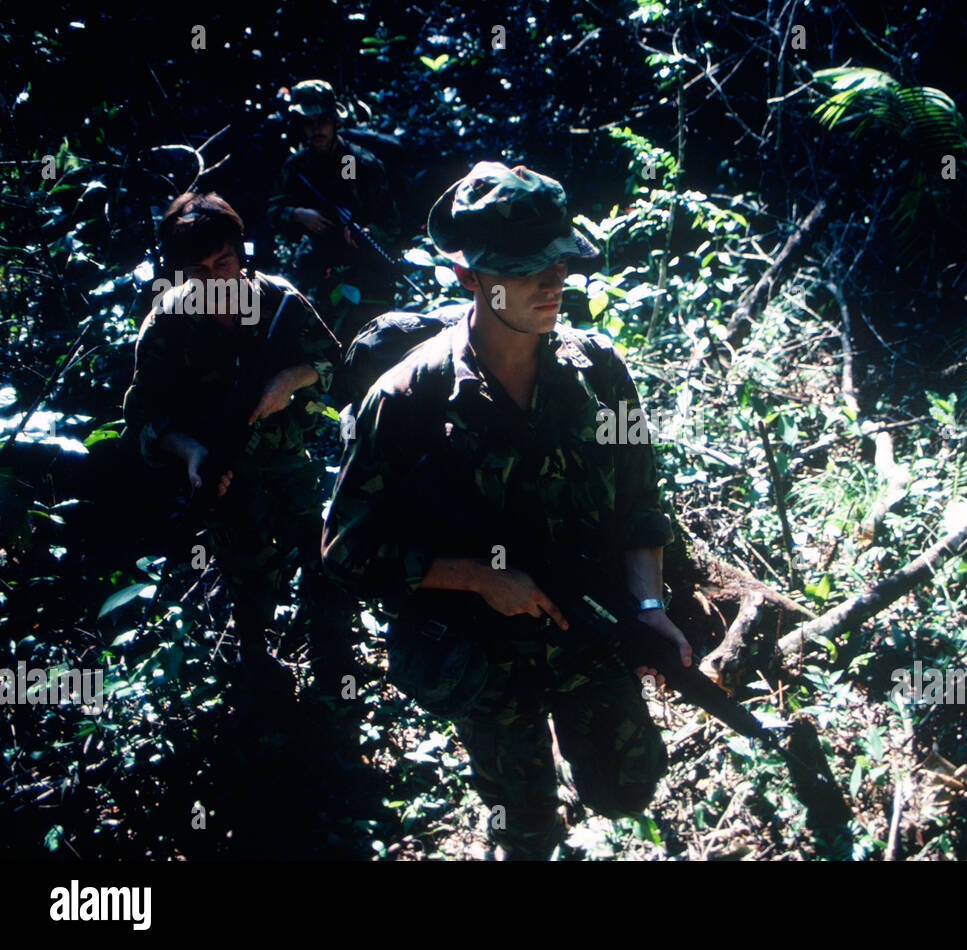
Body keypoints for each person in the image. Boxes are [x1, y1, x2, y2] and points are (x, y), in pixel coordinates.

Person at [322, 162, 691, 859]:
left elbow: (642, 501)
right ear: (470, 277)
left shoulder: (599, 370)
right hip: (485, 657)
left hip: (588, 625)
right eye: (526, 271)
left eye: (559, 263)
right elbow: (345, 549)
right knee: (525, 820)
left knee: (628, 786)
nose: (552, 283)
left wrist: (647, 606)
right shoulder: (407, 401)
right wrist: (479, 577)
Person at [123, 192, 357, 704]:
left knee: (324, 555)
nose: (213, 280)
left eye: (221, 262)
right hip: (222, 471)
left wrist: (289, 381)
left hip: (289, 460)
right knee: (246, 568)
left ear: (239, 253)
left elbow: (336, 367)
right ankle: (256, 660)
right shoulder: (169, 322)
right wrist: (189, 454)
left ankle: (334, 659)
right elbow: (142, 418)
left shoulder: (281, 302)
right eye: (196, 272)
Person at [267, 79, 401, 348]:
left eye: (323, 120)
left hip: (362, 265)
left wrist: (366, 232)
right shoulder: (296, 167)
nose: (316, 128)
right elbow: (272, 211)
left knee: (367, 343)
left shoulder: (361, 163)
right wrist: (297, 214)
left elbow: (392, 224)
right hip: (315, 264)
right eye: (308, 122)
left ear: (335, 120)